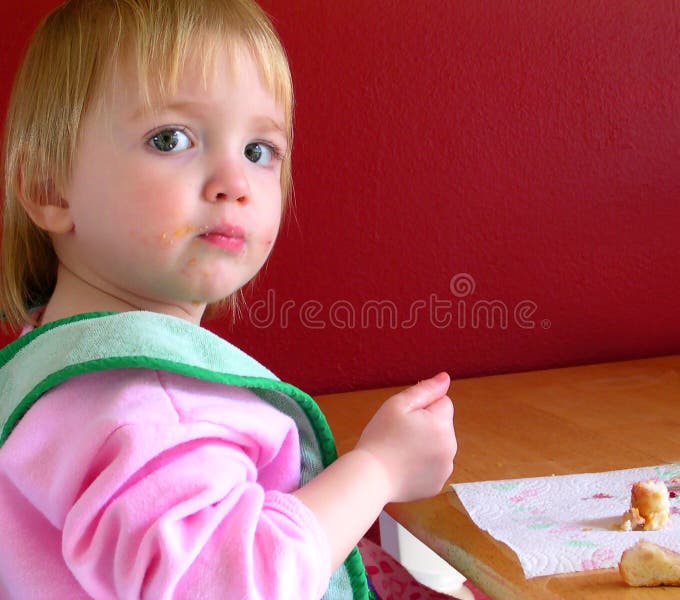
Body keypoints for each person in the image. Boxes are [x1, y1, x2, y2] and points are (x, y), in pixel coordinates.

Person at [0, 1, 457, 598]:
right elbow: (240, 582)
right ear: (48, 187)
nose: (234, 184)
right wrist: (379, 468)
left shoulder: (54, 362)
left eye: (258, 151)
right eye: (171, 138)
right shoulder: (148, 403)